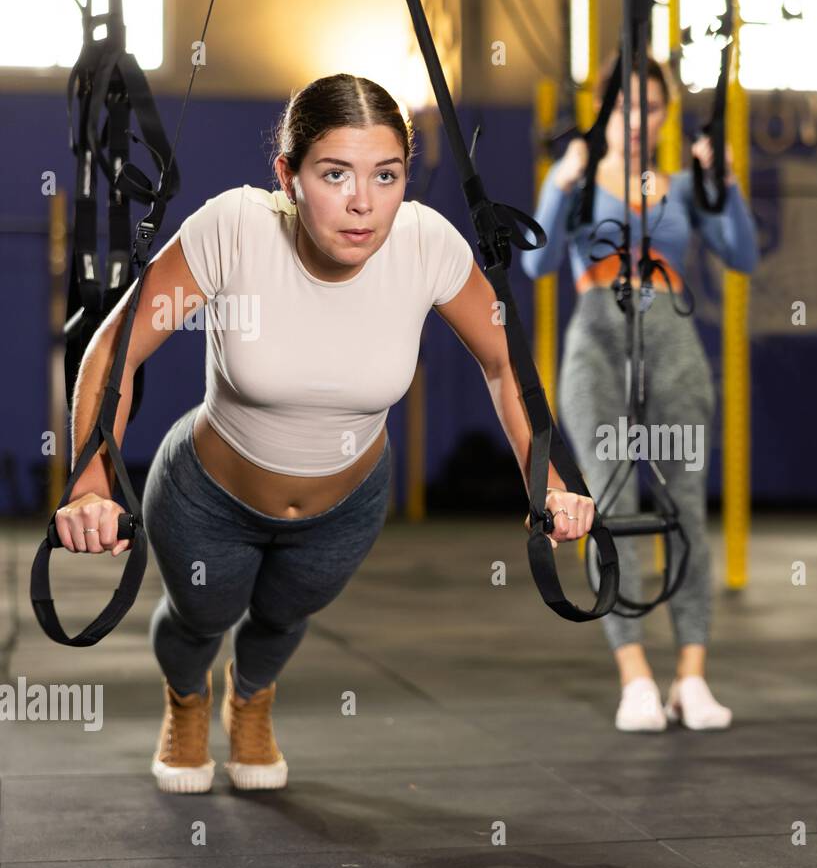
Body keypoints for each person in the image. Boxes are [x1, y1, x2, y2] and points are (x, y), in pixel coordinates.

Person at [52, 74, 596, 794]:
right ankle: (188, 704)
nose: (363, 202)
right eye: (334, 173)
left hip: (345, 508)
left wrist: (549, 480)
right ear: (288, 174)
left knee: (282, 620)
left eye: (387, 175)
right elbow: (113, 348)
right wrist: (89, 484)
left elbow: (504, 363)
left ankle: (250, 701)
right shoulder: (236, 229)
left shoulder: (425, 243)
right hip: (205, 497)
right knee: (197, 620)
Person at [522, 55, 758, 732]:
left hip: (676, 348)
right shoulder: (576, 181)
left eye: (652, 108)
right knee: (610, 508)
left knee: (686, 508)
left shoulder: (681, 186)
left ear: (664, 114)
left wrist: (728, 184)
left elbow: (742, 255)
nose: (639, 121)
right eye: (626, 107)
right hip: (596, 349)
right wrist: (558, 183)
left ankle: (691, 675)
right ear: (606, 112)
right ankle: (634, 675)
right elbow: (537, 262)